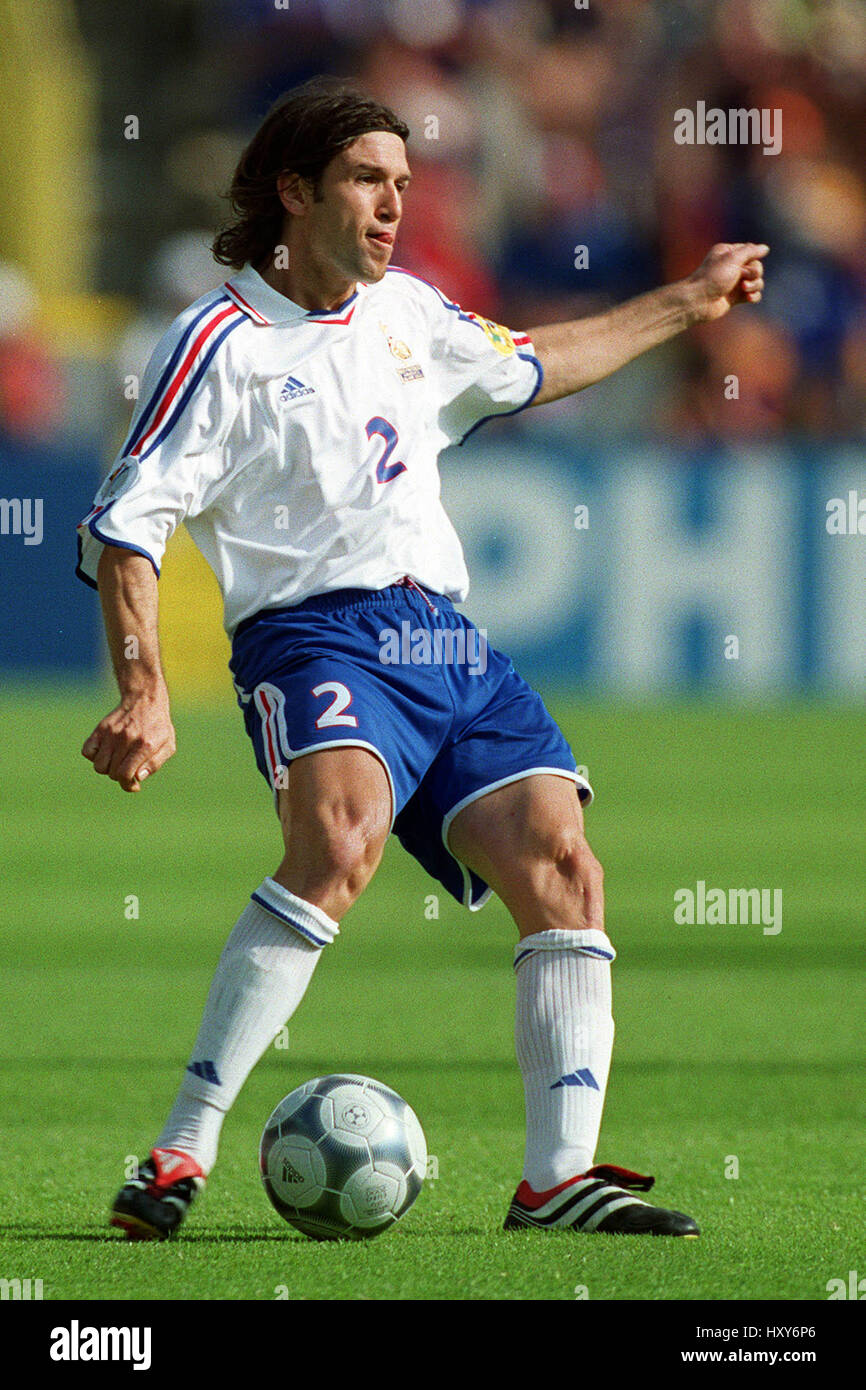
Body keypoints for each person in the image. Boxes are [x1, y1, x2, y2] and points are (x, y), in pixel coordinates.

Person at [76, 78, 767, 1241]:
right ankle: (181, 1148)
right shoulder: (218, 342)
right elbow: (125, 527)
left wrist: (686, 303)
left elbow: (535, 359)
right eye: (365, 179)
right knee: (335, 844)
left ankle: (555, 1180)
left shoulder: (406, 313)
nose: (393, 204)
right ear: (293, 192)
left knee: (563, 865)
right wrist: (144, 688)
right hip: (314, 633)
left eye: (402, 182)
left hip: (446, 636)